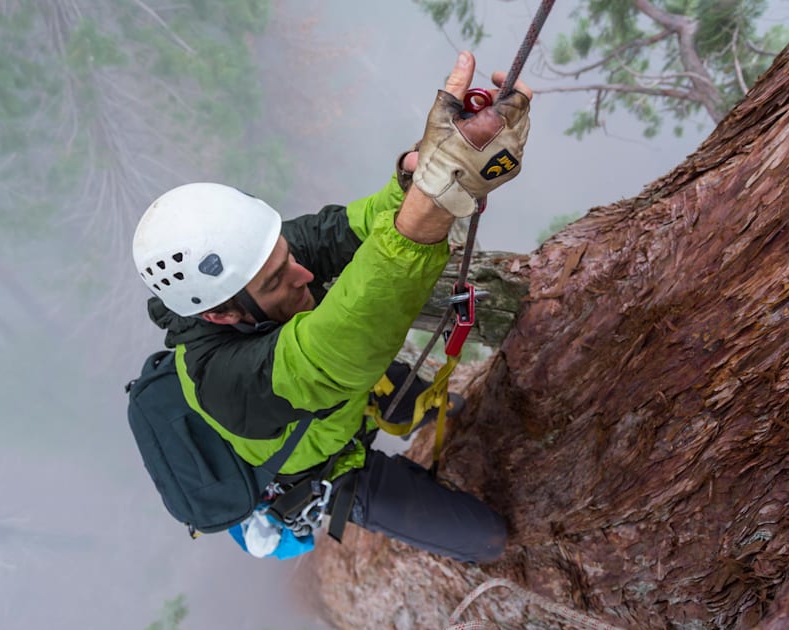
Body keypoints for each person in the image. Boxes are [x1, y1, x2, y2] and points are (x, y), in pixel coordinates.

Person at [131, 51, 532, 563]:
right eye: (278, 280)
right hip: (326, 464)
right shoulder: (225, 383)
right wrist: (440, 194)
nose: (302, 273)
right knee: (488, 539)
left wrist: (419, 173)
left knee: (461, 414)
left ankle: (431, 416)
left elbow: (348, 228)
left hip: (348, 400)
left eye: (287, 256)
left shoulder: (254, 263)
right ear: (220, 315)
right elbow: (337, 345)